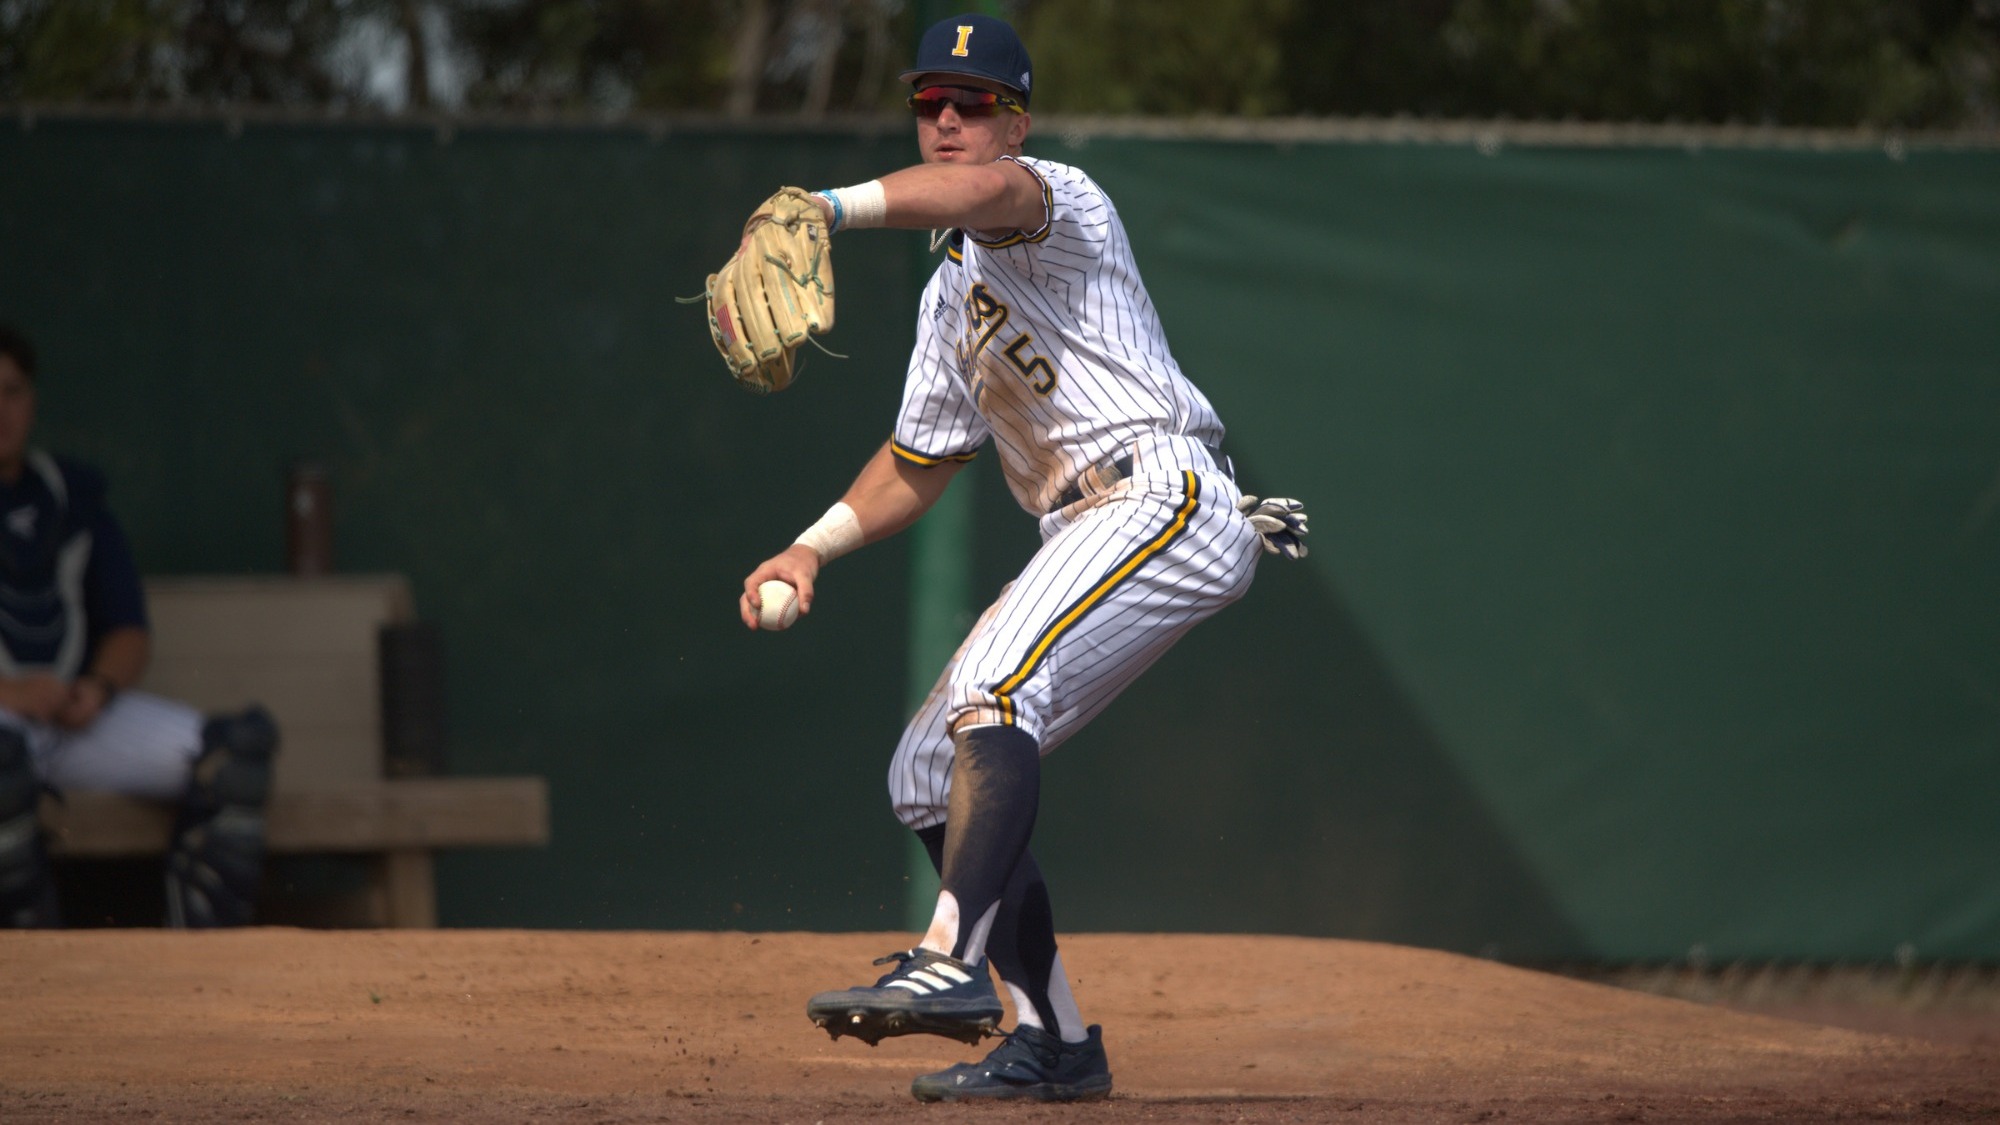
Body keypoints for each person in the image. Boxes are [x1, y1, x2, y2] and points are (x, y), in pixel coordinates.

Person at [734, 13, 1305, 1104]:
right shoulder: (946, 295)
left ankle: (949, 958)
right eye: (928, 103)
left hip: (1158, 495)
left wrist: (827, 207)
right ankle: (1054, 1042)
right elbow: (918, 461)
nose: (947, 120)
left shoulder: (1056, 199)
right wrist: (809, 547)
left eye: (973, 103)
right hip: (1092, 524)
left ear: (1018, 120)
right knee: (923, 774)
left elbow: (981, 198)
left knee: (995, 687)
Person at [0, 324, 279, 929]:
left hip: (69, 718)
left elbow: (128, 630)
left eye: (12, 390)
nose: (1, 409)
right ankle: (22, 971)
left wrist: (95, 689)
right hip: (3, 722)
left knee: (231, 759)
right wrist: (12, 693)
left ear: (33, 399)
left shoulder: (74, 498)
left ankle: (199, 970)